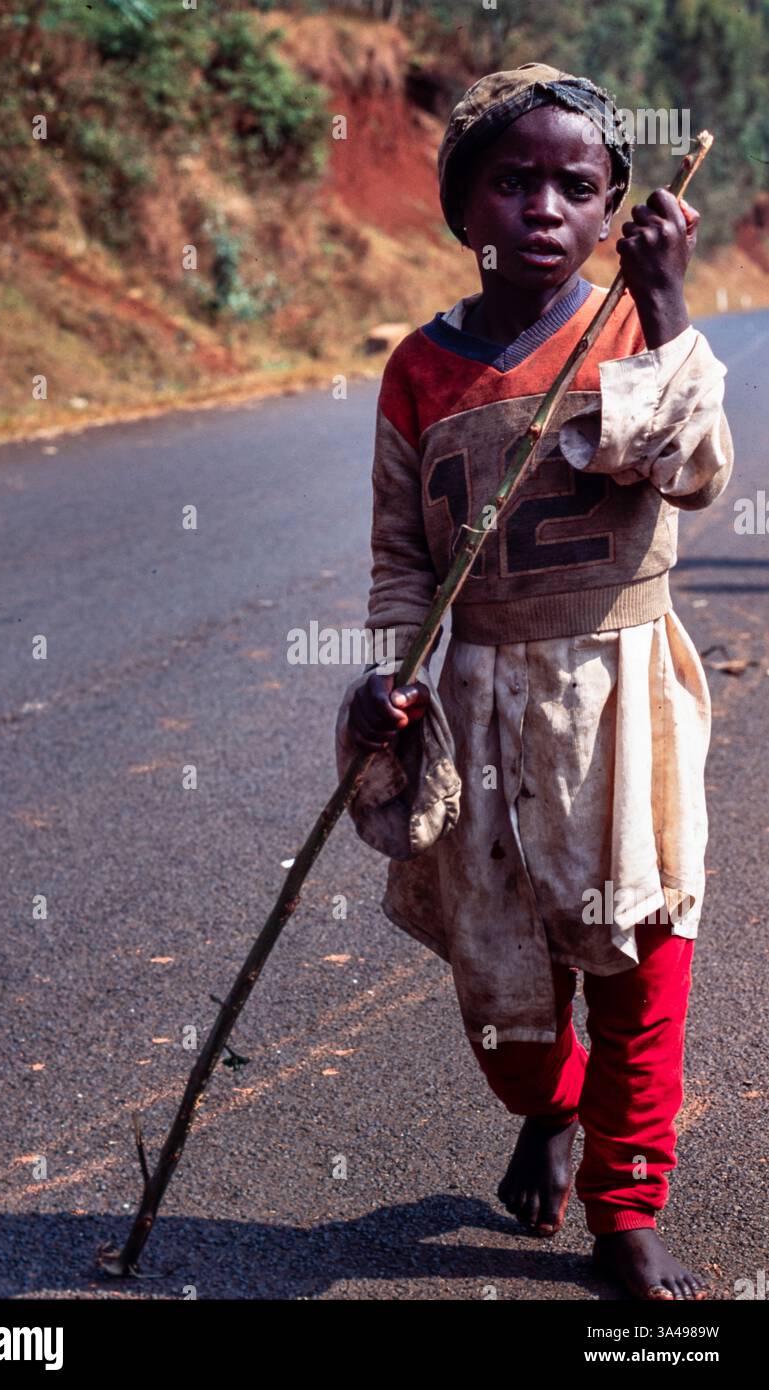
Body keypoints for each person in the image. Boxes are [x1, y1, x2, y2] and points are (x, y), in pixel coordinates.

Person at [334, 63, 733, 1301]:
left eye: (576, 186)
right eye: (511, 182)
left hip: (624, 707)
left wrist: (665, 306)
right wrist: (390, 683)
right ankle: (549, 1108)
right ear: (462, 208)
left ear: (616, 208)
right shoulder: (418, 370)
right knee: (504, 1003)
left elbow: (698, 468)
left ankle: (625, 1208)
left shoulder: (635, 327)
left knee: (638, 964)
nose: (544, 208)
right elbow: (402, 553)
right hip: (486, 711)